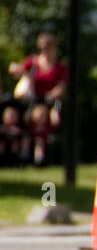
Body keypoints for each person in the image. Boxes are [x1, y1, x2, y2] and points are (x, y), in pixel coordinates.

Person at [7, 31, 68, 165]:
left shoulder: (59, 67)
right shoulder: (33, 62)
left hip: (50, 102)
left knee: (49, 118)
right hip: (33, 101)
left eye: (47, 47)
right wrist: (17, 69)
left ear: (53, 48)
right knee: (27, 117)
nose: (44, 51)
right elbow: (14, 68)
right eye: (41, 48)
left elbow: (61, 88)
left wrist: (51, 95)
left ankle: (40, 153)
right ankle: (31, 153)